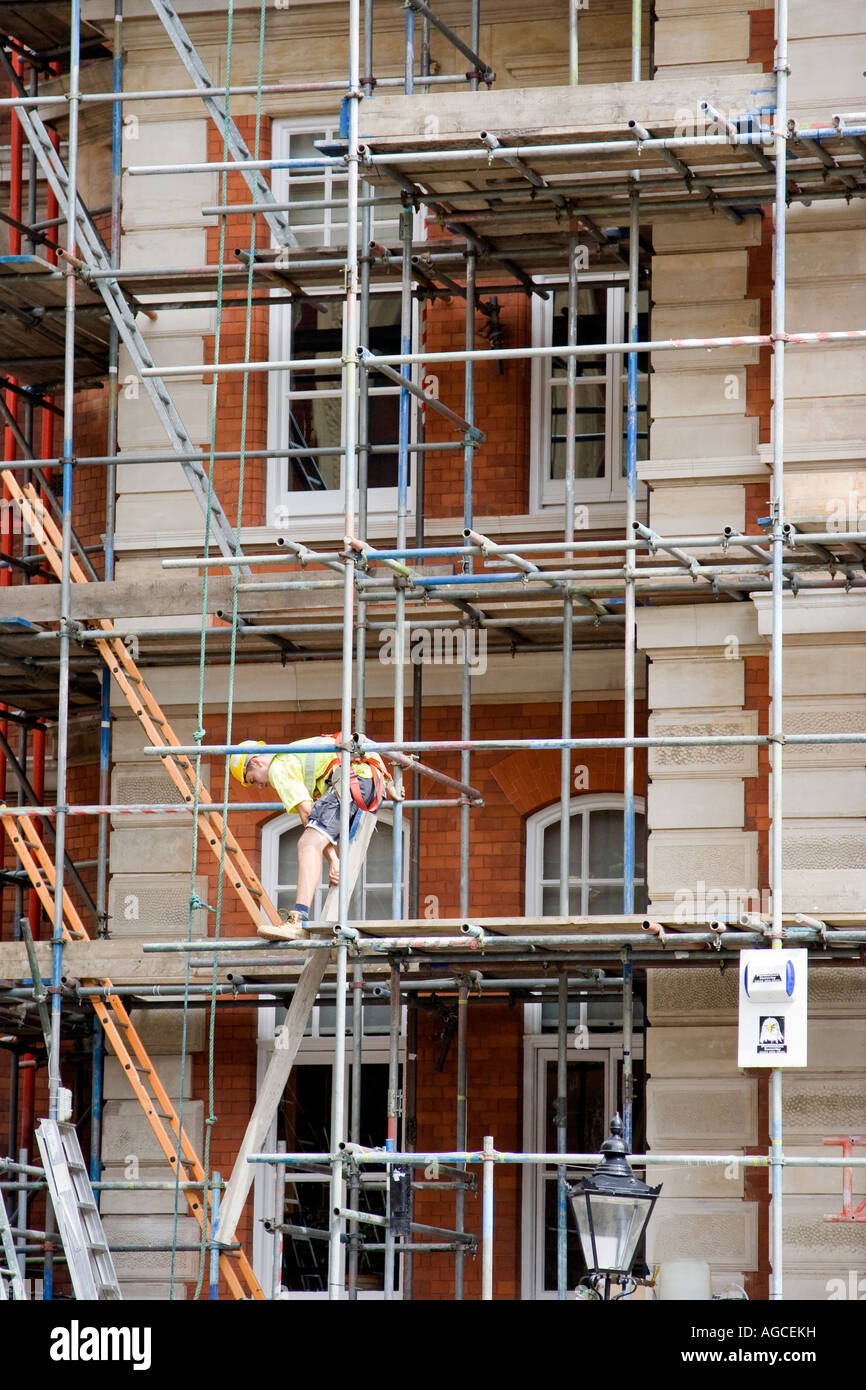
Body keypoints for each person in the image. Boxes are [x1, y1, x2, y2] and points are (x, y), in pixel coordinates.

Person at [230, 734, 403, 939]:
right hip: (362, 780)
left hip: (352, 782)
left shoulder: (279, 765)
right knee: (316, 841)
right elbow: (361, 742)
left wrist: (332, 860)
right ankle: (331, 921)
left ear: (257, 762)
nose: (259, 786)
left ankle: (298, 919)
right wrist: (386, 780)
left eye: (253, 780)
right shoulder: (295, 753)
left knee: (307, 844)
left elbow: (307, 813)